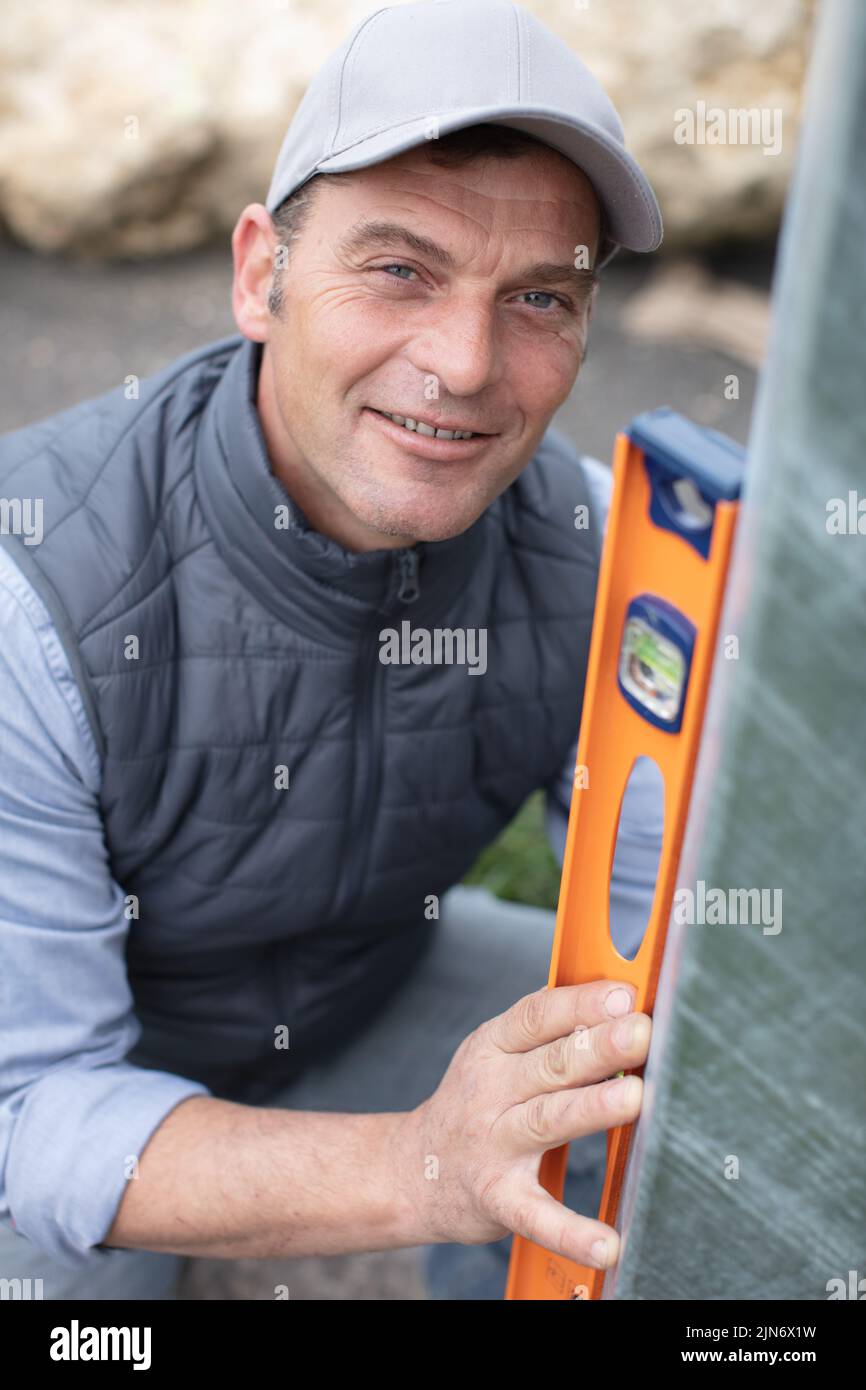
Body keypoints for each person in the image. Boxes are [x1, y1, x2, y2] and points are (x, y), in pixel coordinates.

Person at [0, 0, 664, 1300]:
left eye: (537, 296)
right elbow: (32, 1106)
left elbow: (666, 921)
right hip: (73, 1084)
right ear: (262, 275)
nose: (465, 364)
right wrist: (423, 1161)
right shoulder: (37, 591)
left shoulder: (593, 550)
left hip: (365, 989)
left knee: (662, 1076)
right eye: (400, 270)